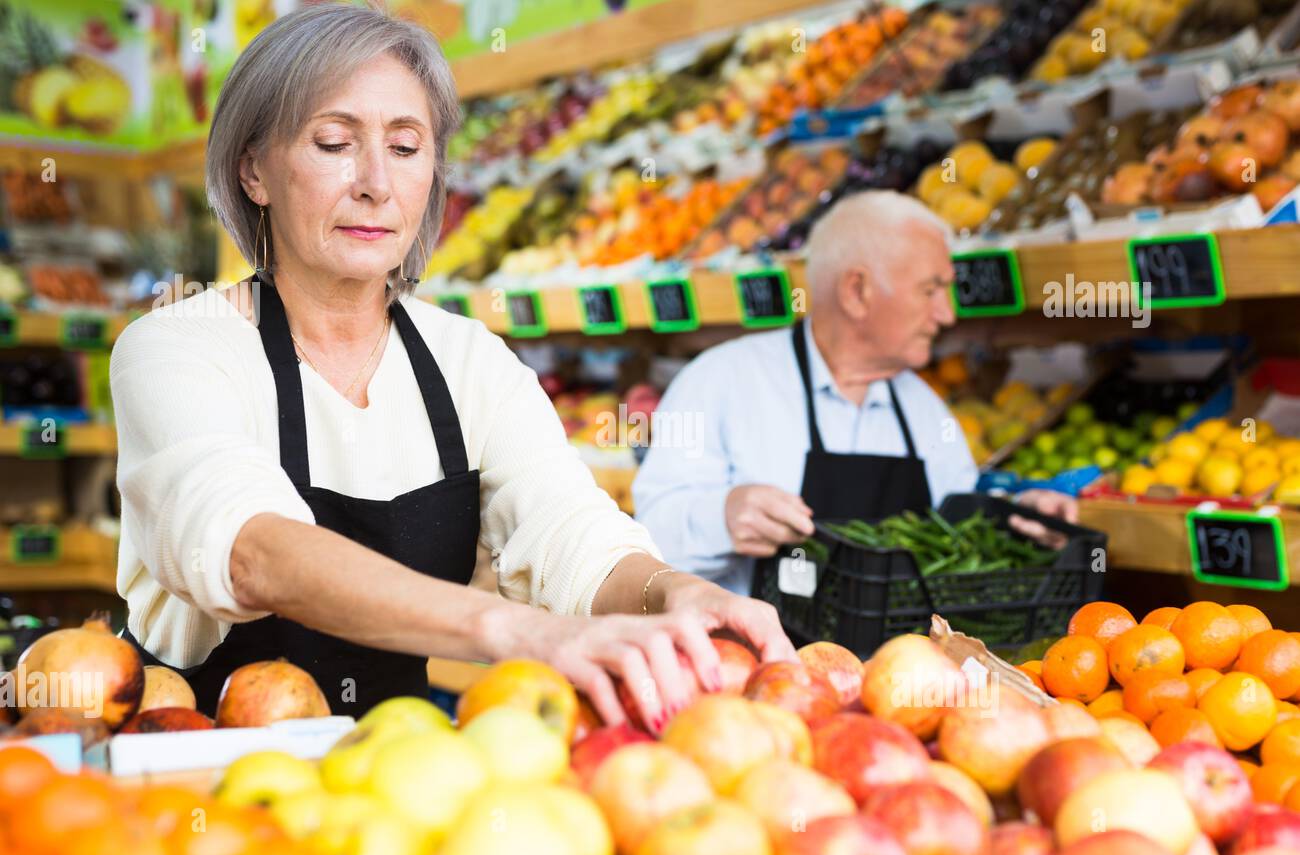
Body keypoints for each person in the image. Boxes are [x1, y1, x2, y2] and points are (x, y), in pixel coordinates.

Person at [110, 5, 793, 727]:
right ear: (254, 171)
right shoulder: (180, 349)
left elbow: (569, 533)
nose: (376, 182)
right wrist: (515, 631)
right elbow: (254, 551)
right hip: (201, 772)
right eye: (335, 142)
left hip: (405, 778)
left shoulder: (468, 363)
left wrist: (675, 594)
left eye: (406, 148)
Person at [634, 190, 1077, 599]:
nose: (947, 314)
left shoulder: (924, 410)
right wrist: (723, 517)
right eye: (930, 290)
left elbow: (961, 525)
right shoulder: (722, 381)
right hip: (758, 672)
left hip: (903, 672)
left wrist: (1018, 516)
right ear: (857, 291)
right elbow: (648, 543)